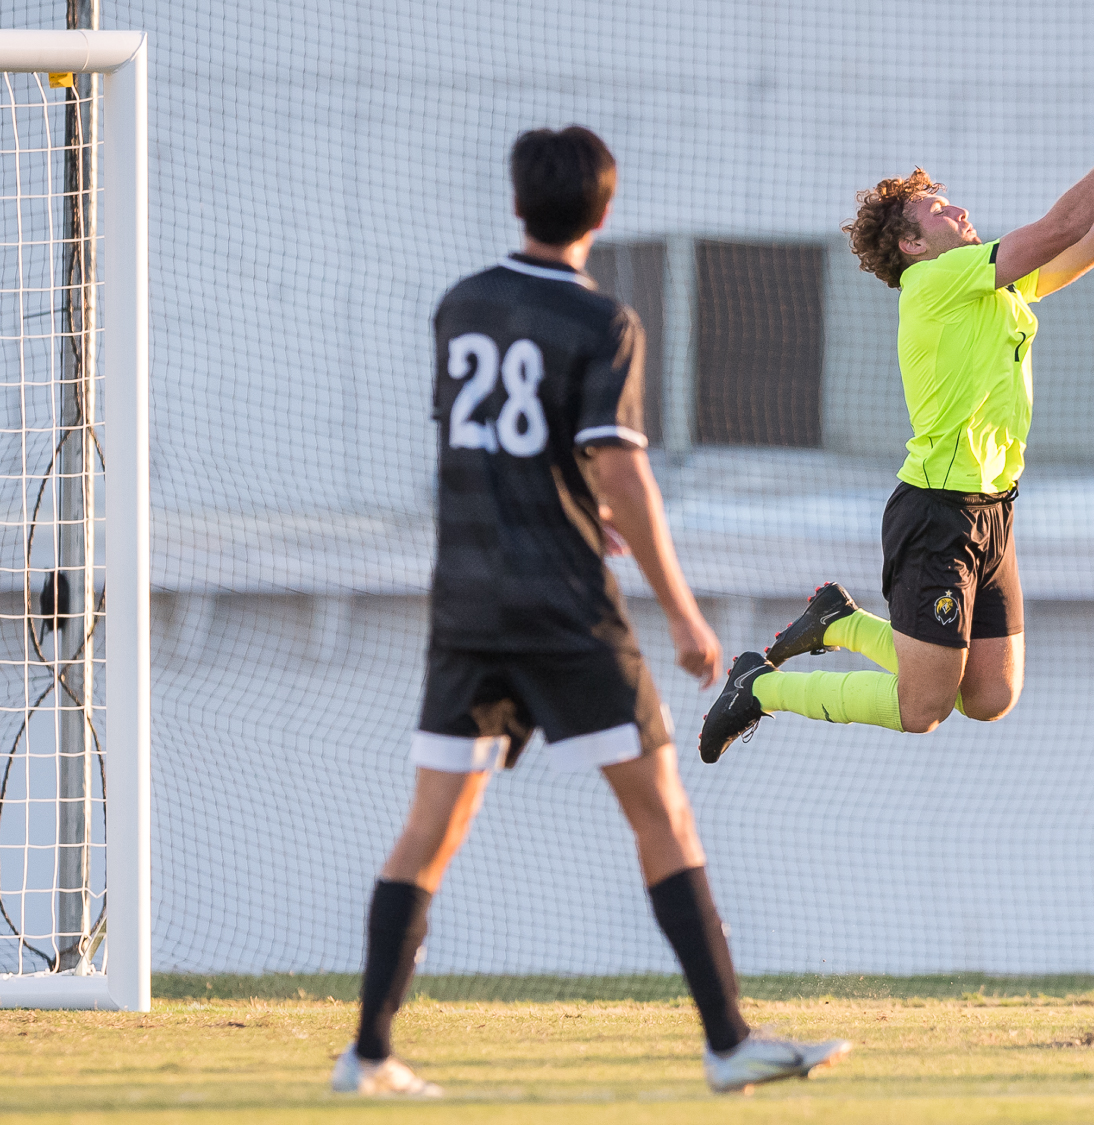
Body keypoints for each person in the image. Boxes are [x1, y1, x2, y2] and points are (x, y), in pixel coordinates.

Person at [331, 126, 848, 1097]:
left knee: (427, 831)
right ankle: (728, 1040)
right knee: (662, 814)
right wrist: (687, 615)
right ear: (604, 214)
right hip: (564, 608)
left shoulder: (458, 306)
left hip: (467, 605)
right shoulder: (603, 322)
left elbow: (496, 452)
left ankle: (367, 1055)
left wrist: (576, 503)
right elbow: (620, 467)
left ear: (516, 202)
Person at [697, 70, 1094, 759]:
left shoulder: (991, 283)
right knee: (923, 708)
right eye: (938, 209)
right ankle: (759, 688)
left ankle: (838, 619)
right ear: (911, 244)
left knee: (991, 696)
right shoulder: (933, 280)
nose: (956, 210)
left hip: (993, 507)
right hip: (937, 511)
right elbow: (1061, 224)